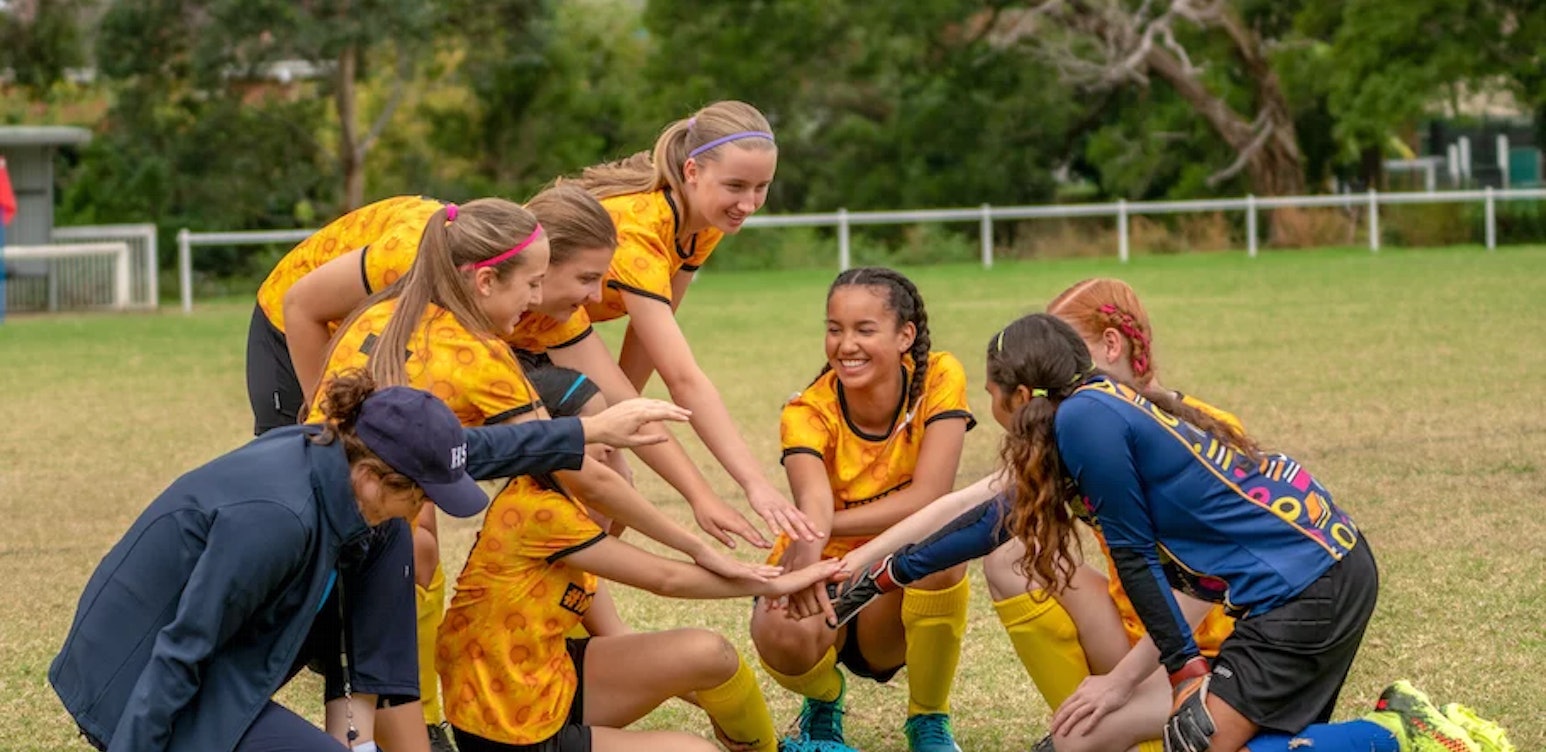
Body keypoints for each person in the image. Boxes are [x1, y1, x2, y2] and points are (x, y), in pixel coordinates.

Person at [48, 370, 694, 752]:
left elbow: (473, 450)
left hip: (213, 666)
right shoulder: (276, 517)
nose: (426, 508)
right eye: (419, 495)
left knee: (390, 546)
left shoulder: (351, 459)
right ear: (376, 477)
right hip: (137, 683)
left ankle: (363, 740)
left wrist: (590, 431)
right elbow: (182, 649)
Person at [960, 312, 1483, 752]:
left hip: (1263, 618)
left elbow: (1195, 589)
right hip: (1191, 649)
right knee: (1080, 739)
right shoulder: (1091, 438)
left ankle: (1396, 732)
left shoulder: (1143, 424)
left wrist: (1134, 682)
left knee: (1201, 742)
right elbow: (982, 512)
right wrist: (892, 569)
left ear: (1110, 347)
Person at [826, 279, 1240, 751]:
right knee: (1010, 554)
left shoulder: (1191, 431)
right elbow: (966, 507)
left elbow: (1204, 588)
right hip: (1131, 635)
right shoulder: (1073, 433)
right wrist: (856, 567)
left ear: (1109, 345)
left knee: (1078, 738)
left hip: (1200, 658)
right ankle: (1097, 724)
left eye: (1062, 345)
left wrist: (1122, 683)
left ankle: (1108, 729)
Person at [550, 99, 819, 548]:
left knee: (610, 483)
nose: (748, 204)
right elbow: (683, 379)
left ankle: (567, 613)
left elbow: (647, 341)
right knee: (605, 483)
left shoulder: (702, 224)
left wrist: (623, 416)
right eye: (735, 185)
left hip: (564, 331)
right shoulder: (639, 228)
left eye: (761, 187)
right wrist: (744, 486)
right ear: (692, 171)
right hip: (524, 329)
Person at [748, 268, 974, 752]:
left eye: (864, 329)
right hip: (824, 573)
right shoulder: (806, 411)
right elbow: (813, 504)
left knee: (946, 552)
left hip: (890, 581)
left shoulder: (939, 375)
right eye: (835, 329)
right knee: (776, 625)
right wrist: (808, 550)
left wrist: (823, 525)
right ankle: (824, 704)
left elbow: (930, 496)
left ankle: (928, 720)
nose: (845, 344)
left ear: (904, 336)